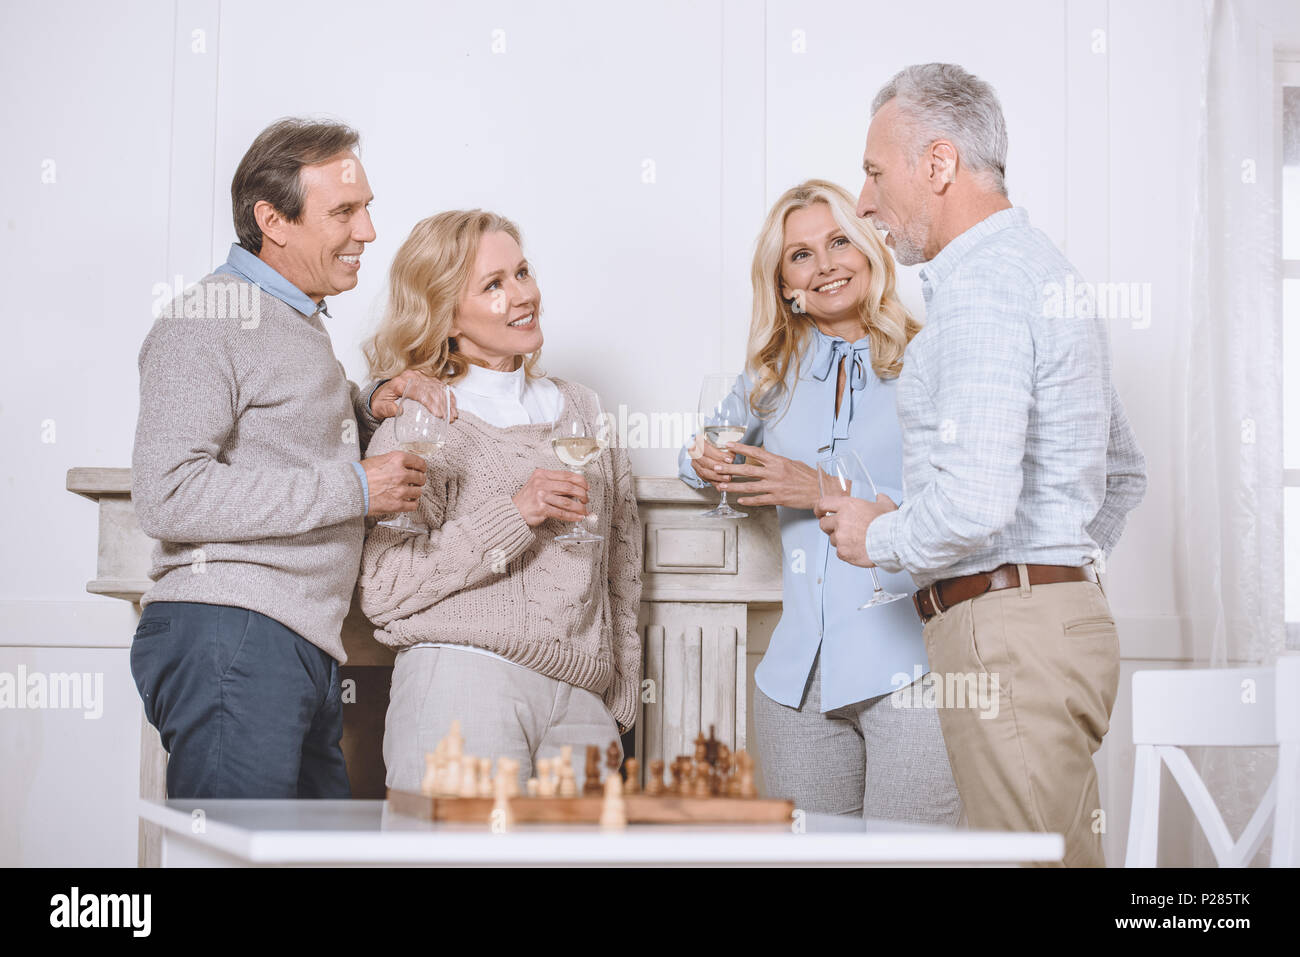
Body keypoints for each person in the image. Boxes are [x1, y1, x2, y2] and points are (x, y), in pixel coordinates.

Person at [820, 63, 1147, 866]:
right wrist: (1056, 570)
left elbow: (975, 503)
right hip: (1041, 630)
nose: (863, 202)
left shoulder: (983, 288)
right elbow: (1123, 470)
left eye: (872, 172)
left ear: (937, 165)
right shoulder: (1040, 269)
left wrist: (880, 533)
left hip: (1009, 639)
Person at [129, 118, 453, 799]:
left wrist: (374, 405)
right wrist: (355, 488)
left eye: (366, 208)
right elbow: (168, 493)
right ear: (272, 219)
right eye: (344, 211)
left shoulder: (293, 320)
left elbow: (283, 435)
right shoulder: (208, 319)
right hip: (233, 631)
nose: (366, 231)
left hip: (293, 640)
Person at [678, 180, 962, 825]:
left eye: (839, 241)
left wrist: (822, 490)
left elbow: (961, 504)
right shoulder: (770, 374)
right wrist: (704, 460)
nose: (826, 263)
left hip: (913, 669)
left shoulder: (932, 357)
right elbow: (701, 455)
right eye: (801, 254)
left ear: (869, 251)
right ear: (784, 283)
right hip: (795, 681)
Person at [357, 209, 642, 793]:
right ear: (446, 315)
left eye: (522, 272)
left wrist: (620, 691)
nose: (523, 295)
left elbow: (622, 562)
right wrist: (516, 513)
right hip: (462, 686)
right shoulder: (420, 422)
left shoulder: (585, 409)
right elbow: (384, 591)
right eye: (493, 285)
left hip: (583, 703)